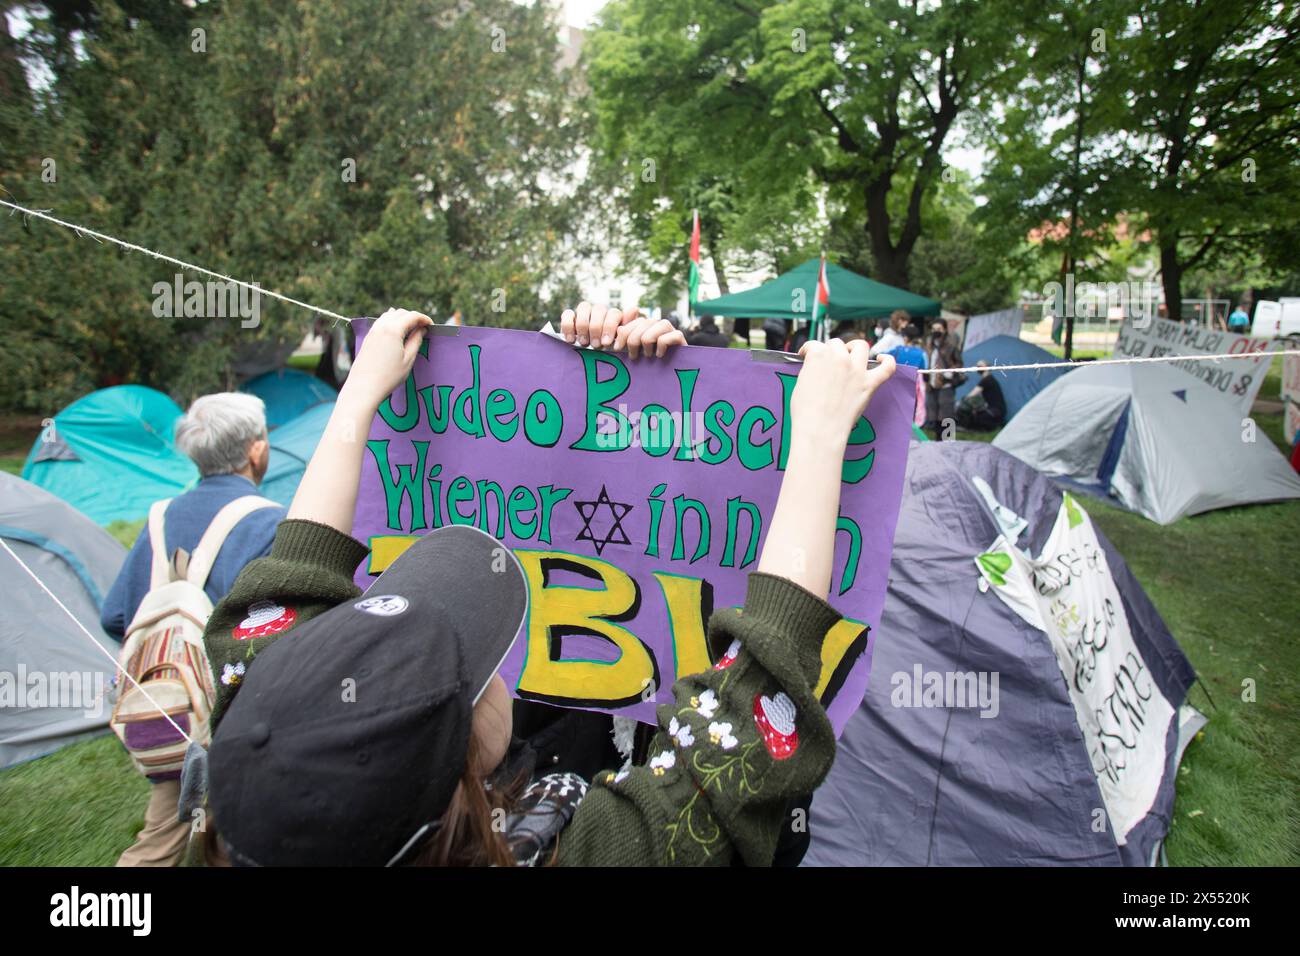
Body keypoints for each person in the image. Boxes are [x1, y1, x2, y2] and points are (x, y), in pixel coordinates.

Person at [198, 304, 896, 867]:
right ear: (466, 766)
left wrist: (364, 395)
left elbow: (293, 584)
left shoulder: (259, 764)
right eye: (475, 659)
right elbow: (749, 719)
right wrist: (817, 438)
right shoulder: (594, 852)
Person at [103, 392, 286, 867]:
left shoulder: (160, 515)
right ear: (256, 451)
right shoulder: (271, 522)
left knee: (162, 836)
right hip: (244, 716)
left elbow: (115, 616)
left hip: (173, 709)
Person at [925, 320, 963, 440]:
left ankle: (949, 442)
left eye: (939, 329)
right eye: (934, 329)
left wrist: (947, 373)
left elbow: (959, 364)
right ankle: (938, 443)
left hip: (946, 385)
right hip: (932, 385)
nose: (936, 331)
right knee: (935, 415)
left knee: (947, 415)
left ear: (944, 330)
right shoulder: (929, 346)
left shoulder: (950, 346)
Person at [955, 361, 1006, 432]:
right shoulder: (989, 379)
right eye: (977, 366)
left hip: (995, 412)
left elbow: (971, 395)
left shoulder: (987, 380)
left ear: (987, 367)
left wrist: (961, 401)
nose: (978, 367)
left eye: (980, 366)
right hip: (997, 411)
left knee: (968, 412)